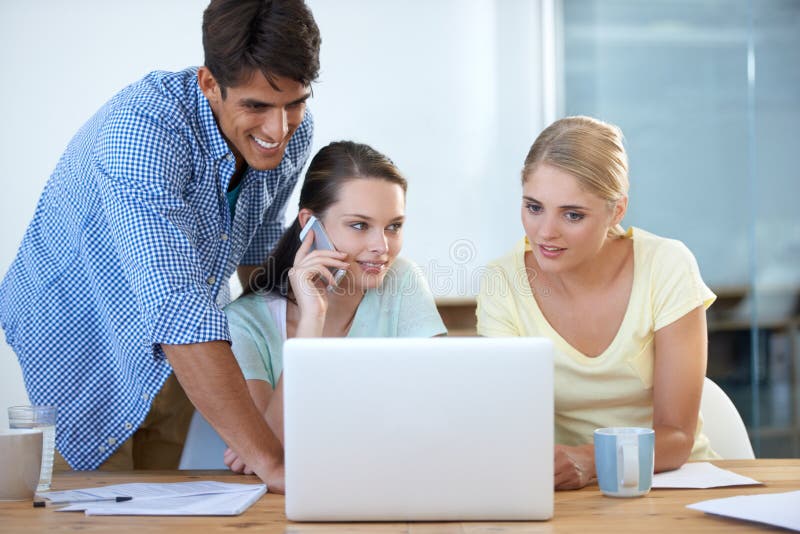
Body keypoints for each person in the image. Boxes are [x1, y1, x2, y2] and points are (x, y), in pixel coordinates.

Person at [0, 0, 320, 492]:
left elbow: (257, 251)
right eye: (256, 106)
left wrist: (297, 352)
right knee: (92, 510)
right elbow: (176, 306)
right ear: (209, 83)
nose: (278, 131)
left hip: (179, 348)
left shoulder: (288, 137)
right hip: (82, 340)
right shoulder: (143, 131)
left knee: (164, 509)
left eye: (294, 102)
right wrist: (272, 461)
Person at [476, 116, 719, 490]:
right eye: (534, 207)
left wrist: (588, 460)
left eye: (572, 214)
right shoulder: (502, 282)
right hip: (568, 492)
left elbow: (676, 437)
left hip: (673, 483)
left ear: (617, 211)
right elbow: (509, 423)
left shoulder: (667, 266)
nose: (545, 232)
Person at [221, 141, 447, 472]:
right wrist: (312, 321)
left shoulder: (401, 281)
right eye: (360, 225)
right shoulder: (244, 324)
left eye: (393, 226)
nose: (381, 247)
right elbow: (271, 456)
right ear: (310, 224)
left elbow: (441, 416)